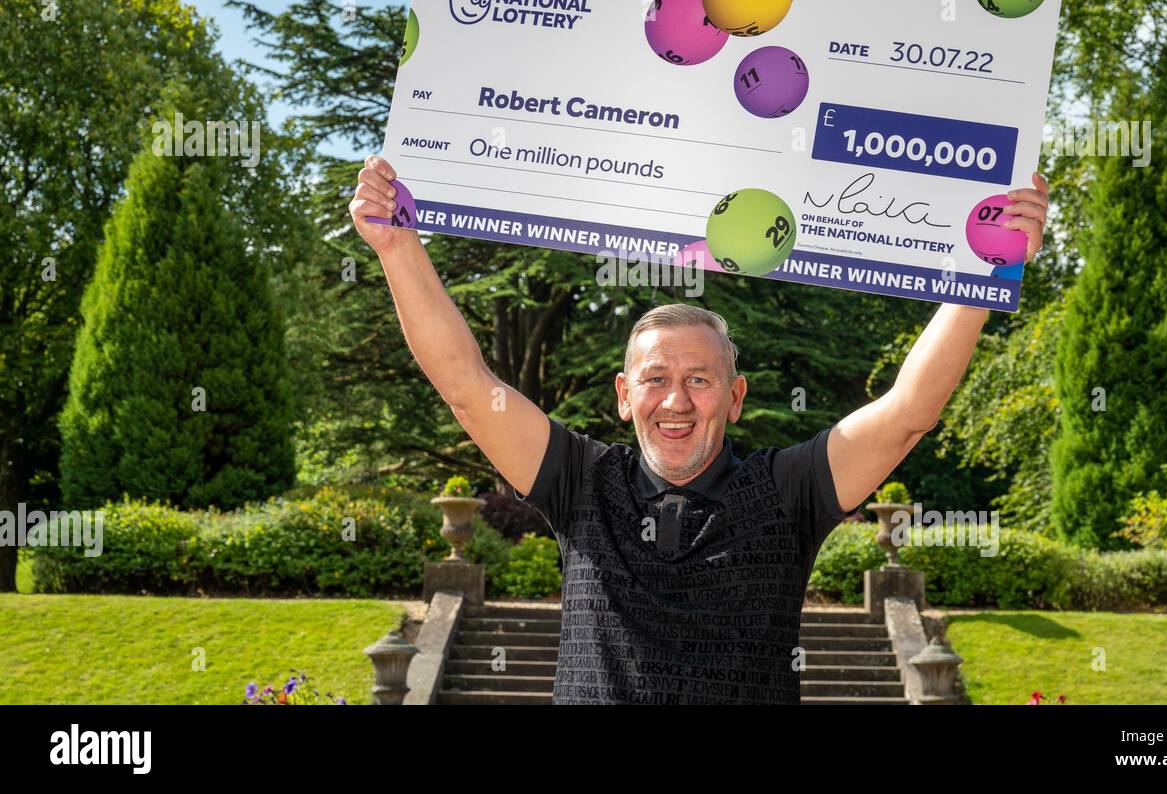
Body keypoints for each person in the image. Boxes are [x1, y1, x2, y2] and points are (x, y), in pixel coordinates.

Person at [349, 155, 1050, 704]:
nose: (675, 399)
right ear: (625, 396)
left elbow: (907, 414)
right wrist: (395, 249)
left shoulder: (789, 491)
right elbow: (470, 391)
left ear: (735, 397)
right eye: (655, 378)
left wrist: (986, 271)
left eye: (700, 378)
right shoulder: (581, 482)